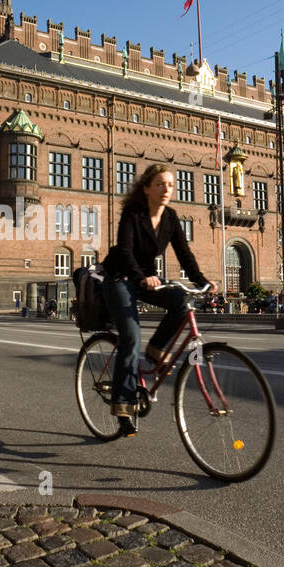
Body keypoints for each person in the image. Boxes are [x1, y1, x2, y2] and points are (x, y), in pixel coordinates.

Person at [101, 163, 214, 437]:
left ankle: (156, 351)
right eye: (161, 184)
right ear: (147, 189)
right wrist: (141, 277)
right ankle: (124, 408)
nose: (167, 189)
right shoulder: (132, 213)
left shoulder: (171, 217)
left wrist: (202, 281)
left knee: (179, 301)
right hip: (120, 276)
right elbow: (125, 252)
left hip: (146, 277)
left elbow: (184, 253)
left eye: (171, 185)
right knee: (131, 337)